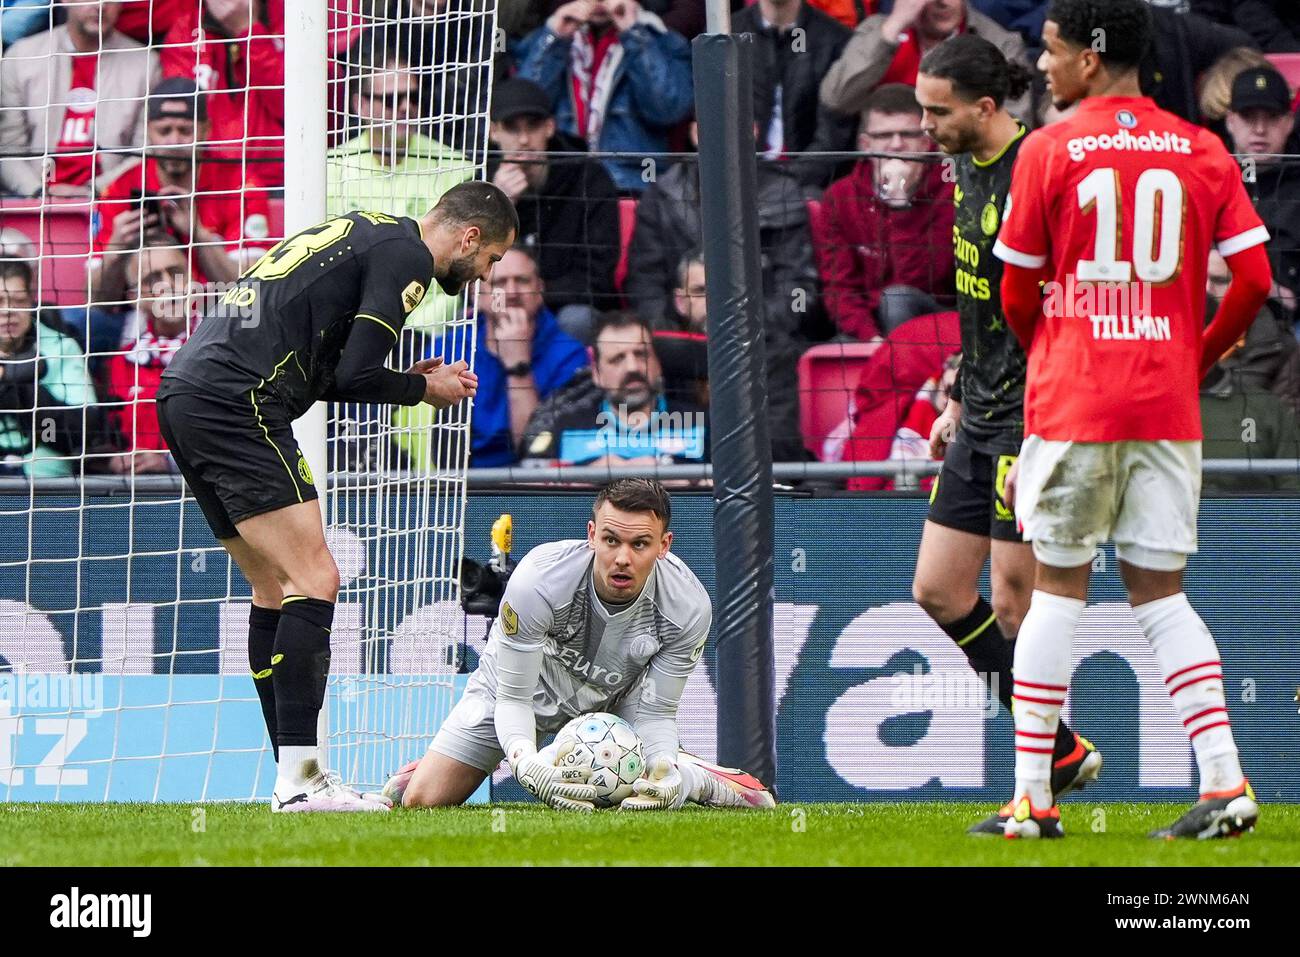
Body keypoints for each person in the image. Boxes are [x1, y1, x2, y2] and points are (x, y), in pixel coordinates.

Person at [991, 0, 1273, 839]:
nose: (1042, 65)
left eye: (1052, 50)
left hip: (1076, 397)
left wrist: (1052, 346)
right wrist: (1195, 352)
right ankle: (1225, 783)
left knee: (1055, 593)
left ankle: (1033, 801)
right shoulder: (1202, 146)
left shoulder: (1048, 148)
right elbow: (1254, 281)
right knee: (1161, 596)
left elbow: (1015, 291)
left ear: (1090, 57)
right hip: (1165, 402)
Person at [155, 182, 517, 813]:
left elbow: (325, 374)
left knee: (274, 588)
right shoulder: (408, 259)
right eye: (491, 259)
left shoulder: (366, 230)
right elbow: (353, 377)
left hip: (187, 390)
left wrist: (406, 378)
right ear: (469, 236)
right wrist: (422, 394)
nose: (486, 273)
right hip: (239, 401)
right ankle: (301, 781)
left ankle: (294, 778)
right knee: (315, 577)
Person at [911, 35, 1100, 838]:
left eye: (936, 110)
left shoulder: (1039, 170)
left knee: (1020, 605)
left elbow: (1059, 303)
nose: (924, 125)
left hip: (1036, 415)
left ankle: (1037, 794)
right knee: (939, 590)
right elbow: (982, 301)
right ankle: (1057, 746)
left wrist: (1051, 413)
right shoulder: (963, 165)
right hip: (980, 411)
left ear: (985, 108)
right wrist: (956, 393)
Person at [384, 478, 776, 811]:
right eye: (611, 540)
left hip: (614, 710)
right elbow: (513, 700)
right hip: (520, 695)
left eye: (640, 544)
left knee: (650, 793)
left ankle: (692, 776)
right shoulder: (538, 580)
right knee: (422, 801)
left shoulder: (688, 606)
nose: (622, 558)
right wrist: (523, 762)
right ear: (591, 535)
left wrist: (663, 769)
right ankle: (437, 766)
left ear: (664, 545)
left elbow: (656, 715)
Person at [90, 77, 274, 307]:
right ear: (148, 130)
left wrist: (197, 233)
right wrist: (116, 250)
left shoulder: (242, 186)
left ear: (206, 130)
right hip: (142, 317)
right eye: (164, 131)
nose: (174, 142)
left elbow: (249, 295)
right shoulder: (120, 188)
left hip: (218, 315)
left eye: (185, 131)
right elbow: (96, 301)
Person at [328, 38, 472, 331]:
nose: (406, 108)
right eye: (391, 100)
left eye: (413, 97)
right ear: (360, 104)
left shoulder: (457, 170)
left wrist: (418, 330)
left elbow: (460, 270)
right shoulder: (330, 170)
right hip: (349, 329)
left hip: (434, 332)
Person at [412, 245, 589, 468]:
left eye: (522, 281)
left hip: (537, 486)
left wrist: (518, 367)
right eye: (500, 284)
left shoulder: (570, 353)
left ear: (540, 289)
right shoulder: (447, 348)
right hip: (460, 483)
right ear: (475, 293)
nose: (512, 292)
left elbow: (537, 451)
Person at [818, 83, 955, 340]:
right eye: (884, 136)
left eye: (907, 134)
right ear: (866, 144)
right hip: (871, 327)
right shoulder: (840, 197)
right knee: (838, 350)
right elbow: (840, 289)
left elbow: (930, 280)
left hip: (935, 318)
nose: (895, 145)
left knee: (897, 300)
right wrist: (872, 338)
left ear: (927, 143)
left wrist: (899, 205)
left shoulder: (950, 190)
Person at [488, 77, 620, 342]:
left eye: (533, 126)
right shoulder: (480, 181)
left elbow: (597, 276)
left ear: (549, 127)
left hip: (565, 307)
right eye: (512, 128)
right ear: (493, 132)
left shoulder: (589, 178)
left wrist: (534, 293)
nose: (524, 140)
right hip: (500, 300)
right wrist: (498, 208)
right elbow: (469, 268)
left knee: (576, 320)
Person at [515, 0, 694, 193]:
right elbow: (523, 105)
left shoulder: (662, 40)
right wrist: (554, 39)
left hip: (631, 187)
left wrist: (634, 34)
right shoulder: (550, 36)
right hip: (565, 187)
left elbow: (668, 108)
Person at [0, 0, 159, 197]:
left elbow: (145, 152)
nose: (101, 6)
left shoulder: (146, 65)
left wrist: (92, 190)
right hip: (31, 199)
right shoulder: (21, 57)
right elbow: (8, 148)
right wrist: (38, 193)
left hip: (109, 201)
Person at [520, 310, 707, 466]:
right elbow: (532, 485)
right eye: (617, 359)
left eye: (641, 354)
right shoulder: (565, 426)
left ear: (657, 364)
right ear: (596, 373)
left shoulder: (699, 422)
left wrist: (677, 480)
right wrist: (588, 478)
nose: (632, 367)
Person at [819, 0, 1031, 123]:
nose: (942, 2)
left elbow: (1015, 124)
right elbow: (836, 98)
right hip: (885, 165)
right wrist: (892, 28)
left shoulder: (1000, 43)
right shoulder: (878, 31)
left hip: (963, 173)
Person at [730, 0, 858, 185]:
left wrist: (786, 183)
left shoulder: (834, 39)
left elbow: (833, 134)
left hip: (809, 185)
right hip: (741, 182)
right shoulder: (728, 35)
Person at [161, 0, 286, 186]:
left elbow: (294, 108)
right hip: (209, 187)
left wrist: (248, 30)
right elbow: (182, 117)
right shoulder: (186, 30)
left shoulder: (292, 17)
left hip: (279, 181)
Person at [0, 259, 101, 477]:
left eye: (18, 300)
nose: (8, 310)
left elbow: (81, 430)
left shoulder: (62, 347)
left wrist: (10, 382)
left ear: (31, 301)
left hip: (46, 482)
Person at [101, 242, 196, 475]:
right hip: (134, 495)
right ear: (134, 297)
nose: (168, 285)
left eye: (176, 273)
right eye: (153, 279)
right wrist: (110, 462)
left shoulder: (227, 352)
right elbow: (103, 440)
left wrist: (169, 464)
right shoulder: (118, 365)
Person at [1223, 66, 1300, 304]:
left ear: (1289, 122)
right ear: (1230, 121)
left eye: (1272, 117)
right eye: (1248, 117)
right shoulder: (1207, 181)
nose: (1259, 129)